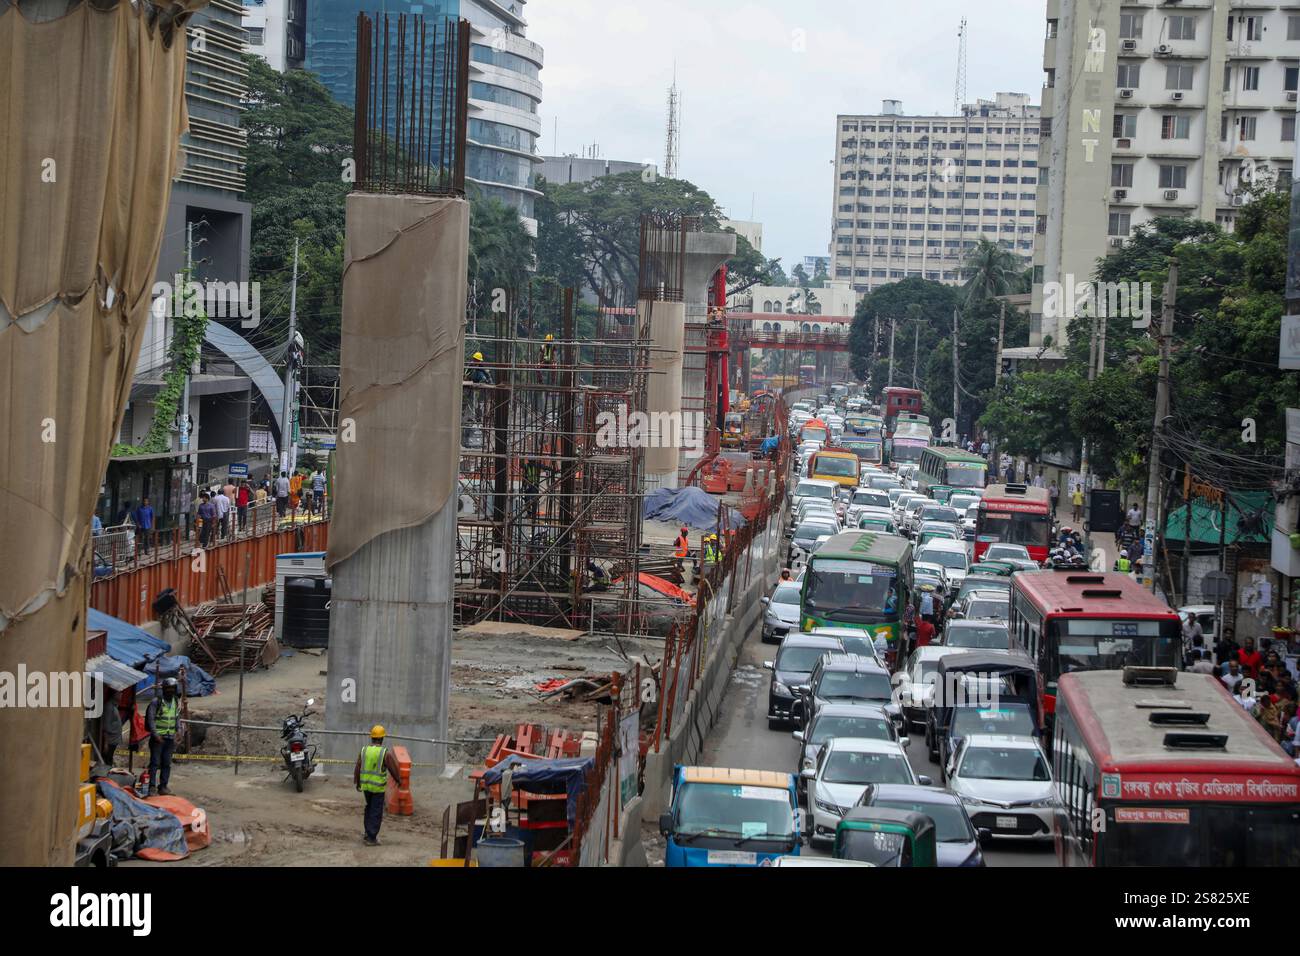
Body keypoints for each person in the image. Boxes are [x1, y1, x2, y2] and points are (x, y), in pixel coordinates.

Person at [354, 725, 403, 846]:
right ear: (382, 738)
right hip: (378, 788)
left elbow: (358, 767)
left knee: (369, 808)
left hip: (366, 787)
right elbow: (393, 769)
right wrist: (399, 781)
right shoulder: (384, 753)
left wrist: (357, 782)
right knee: (376, 811)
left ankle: (367, 833)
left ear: (372, 738)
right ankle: (371, 838)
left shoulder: (364, 750)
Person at [144, 678, 181, 797]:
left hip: (170, 738)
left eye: (172, 689)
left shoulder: (175, 701)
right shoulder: (156, 701)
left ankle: (163, 786)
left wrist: (178, 730)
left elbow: (176, 717)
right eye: (168, 689)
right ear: (164, 689)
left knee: (166, 763)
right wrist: (155, 734)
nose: (170, 691)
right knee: (155, 763)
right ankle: (152, 787)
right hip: (158, 738)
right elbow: (151, 719)